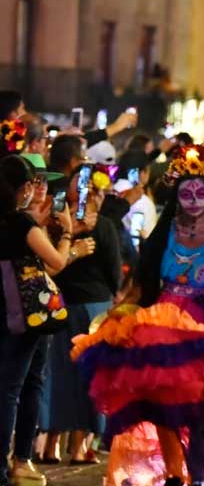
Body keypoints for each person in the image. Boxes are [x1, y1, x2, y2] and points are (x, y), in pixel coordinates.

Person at [72, 145, 204, 486]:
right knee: (163, 408)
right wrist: (123, 309)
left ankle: (196, 485)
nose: (192, 200)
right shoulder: (164, 233)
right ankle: (175, 475)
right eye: (186, 193)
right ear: (177, 194)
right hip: (163, 324)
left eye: (200, 192)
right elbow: (144, 280)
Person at [0, 155, 75, 486]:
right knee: (11, 391)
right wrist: (69, 234)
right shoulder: (20, 225)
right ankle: (3, 470)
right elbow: (57, 262)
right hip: (23, 319)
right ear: (22, 188)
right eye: (31, 184)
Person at [40, 164, 123, 464]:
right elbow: (115, 273)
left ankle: (51, 445)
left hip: (59, 305)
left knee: (58, 375)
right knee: (88, 377)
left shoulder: (55, 222)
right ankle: (79, 446)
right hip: (93, 308)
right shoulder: (102, 226)